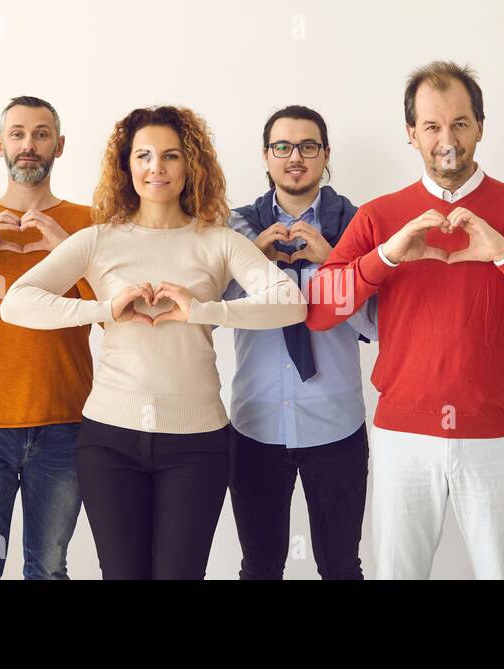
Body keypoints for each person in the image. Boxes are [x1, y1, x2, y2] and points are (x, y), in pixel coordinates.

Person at [306, 62, 504, 579]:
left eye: (460, 123)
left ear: (480, 125)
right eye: (432, 126)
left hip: (496, 436)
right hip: (401, 436)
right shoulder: (378, 216)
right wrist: (386, 256)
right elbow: (321, 310)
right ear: (411, 133)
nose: (447, 140)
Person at [0, 105, 307, 579]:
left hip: (198, 443)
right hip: (110, 440)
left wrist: (202, 311)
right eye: (143, 155)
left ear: (190, 165)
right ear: (127, 165)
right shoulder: (98, 240)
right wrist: (105, 309)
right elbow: (16, 303)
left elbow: (291, 303)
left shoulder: (218, 241)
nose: (156, 167)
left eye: (170, 156)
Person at [0, 96, 95, 580]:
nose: (29, 144)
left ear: (59, 146)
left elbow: (110, 314)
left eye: (41, 134)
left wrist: (68, 250)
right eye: (18, 133)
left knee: (48, 568)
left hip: (65, 422)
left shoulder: (89, 224)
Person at [225, 105, 377, 580]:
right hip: (256, 424)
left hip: (335, 425)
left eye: (308, 147)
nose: (295, 158)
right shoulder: (234, 228)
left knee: (340, 566)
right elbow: (211, 315)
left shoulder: (359, 226)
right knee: (260, 567)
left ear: (325, 154)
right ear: (266, 156)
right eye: (283, 147)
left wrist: (333, 263)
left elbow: (375, 326)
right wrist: (254, 263)